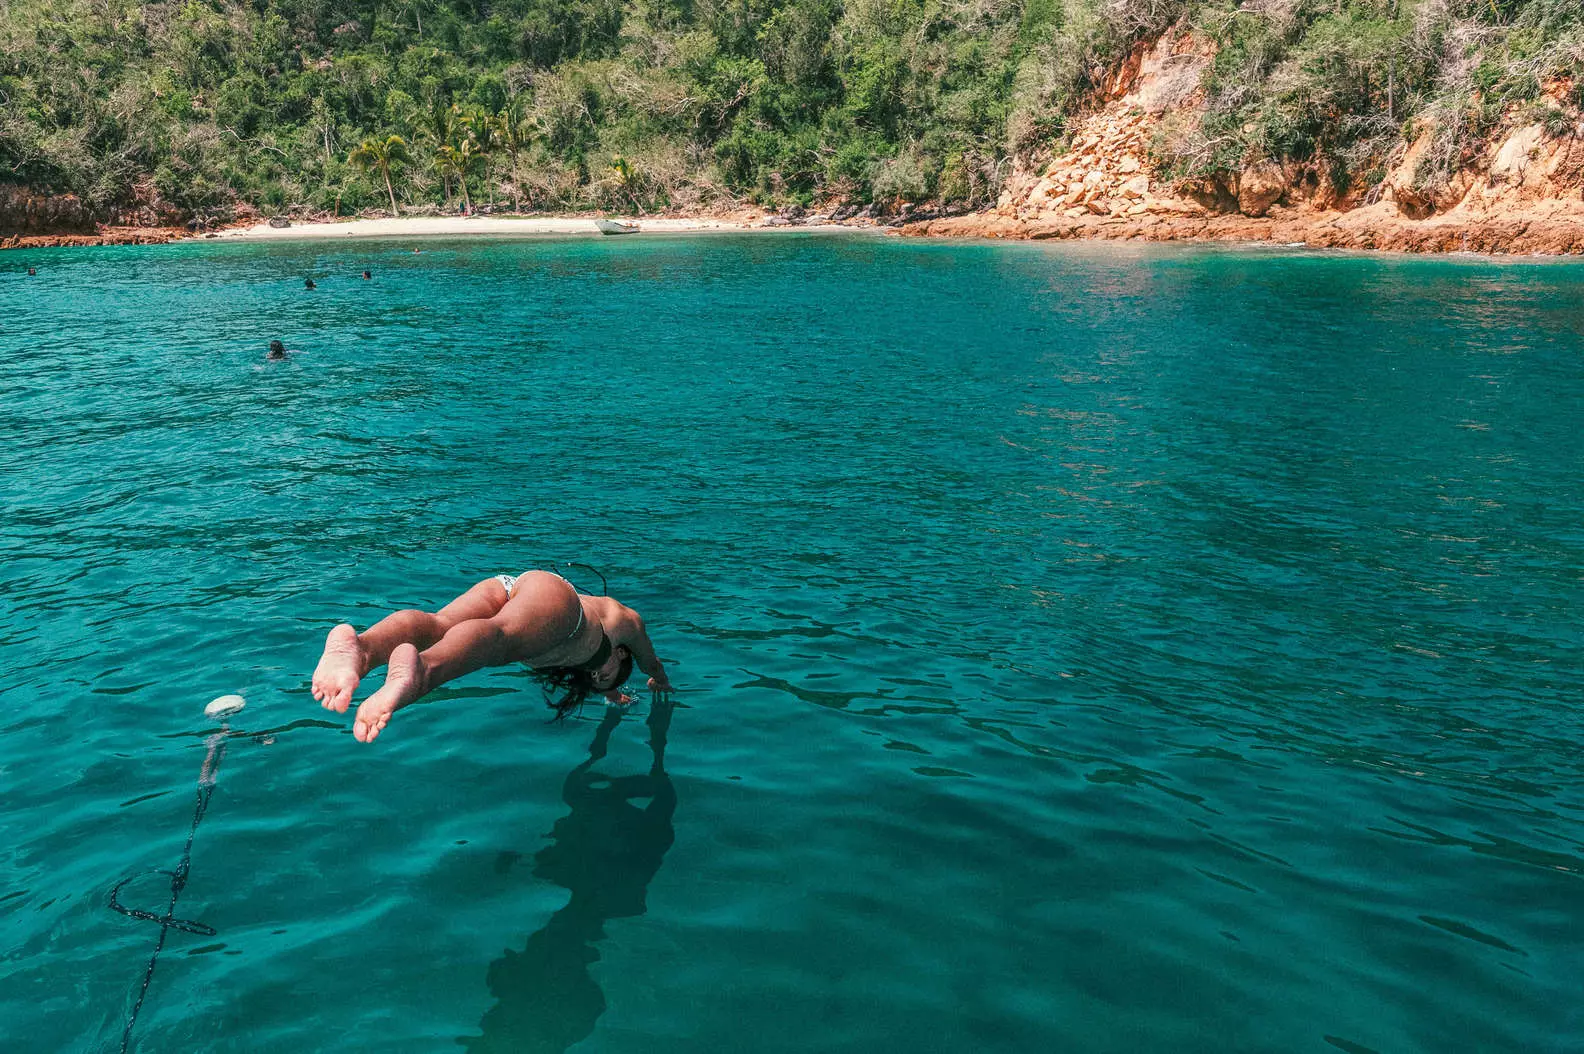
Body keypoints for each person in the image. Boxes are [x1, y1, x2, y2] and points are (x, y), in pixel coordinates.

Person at [311, 570, 671, 743]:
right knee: (499, 639)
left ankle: (362, 649)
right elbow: (650, 662)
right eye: (607, 673)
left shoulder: (587, 661)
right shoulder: (623, 624)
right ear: (621, 653)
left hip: (512, 584)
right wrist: (659, 679)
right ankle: (424, 671)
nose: (597, 676)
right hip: (561, 602)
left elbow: (606, 685)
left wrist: (613, 695)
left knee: (441, 624)